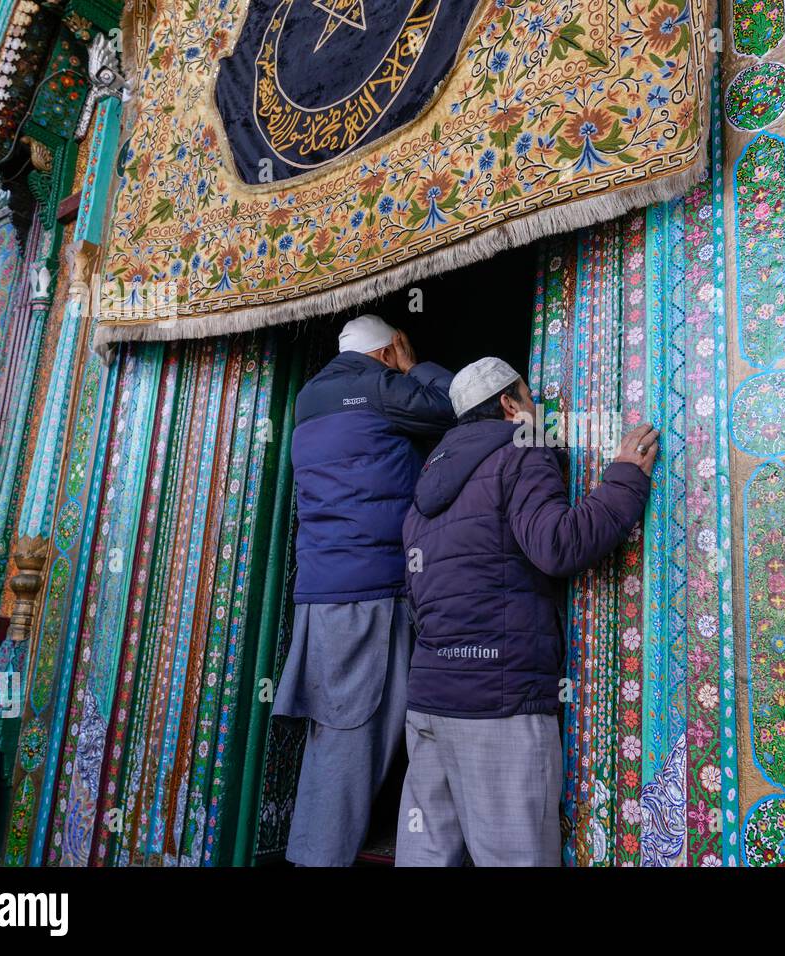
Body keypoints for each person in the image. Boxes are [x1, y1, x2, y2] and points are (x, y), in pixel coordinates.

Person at [394, 356, 658, 866]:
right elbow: (556, 546)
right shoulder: (520, 453)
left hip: (428, 703)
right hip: (497, 702)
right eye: (532, 399)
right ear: (509, 406)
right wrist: (623, 482)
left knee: (425, 855)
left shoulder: (424, 491)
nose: (539, 412)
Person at [275, 313, 455, 866]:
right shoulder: (377, 384)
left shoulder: (309, 397)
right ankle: (321, 858)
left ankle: (313, 854)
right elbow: (463, 404)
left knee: (338, 734)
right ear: (384, 354)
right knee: (356, 742)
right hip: (369, 593)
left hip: (327, 593)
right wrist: (414, 364)